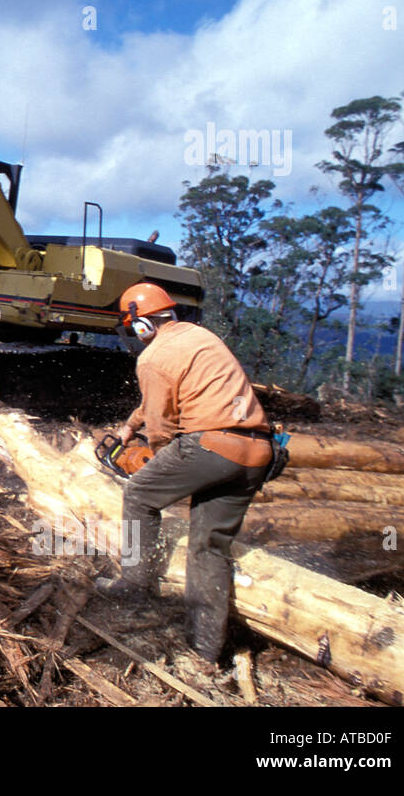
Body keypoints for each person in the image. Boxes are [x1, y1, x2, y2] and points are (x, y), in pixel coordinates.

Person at [97, 282, 273, 673]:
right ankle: (205, 651)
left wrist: (157, 461)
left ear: (141, 324)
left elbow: (161, 428)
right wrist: (128, 428)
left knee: (139, 493)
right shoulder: (200, 337)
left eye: (133, 330)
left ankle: (134, 582)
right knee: (208, 547)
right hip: (257, 450)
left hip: (210, 446)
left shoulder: (152, 357)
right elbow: (159, 400)